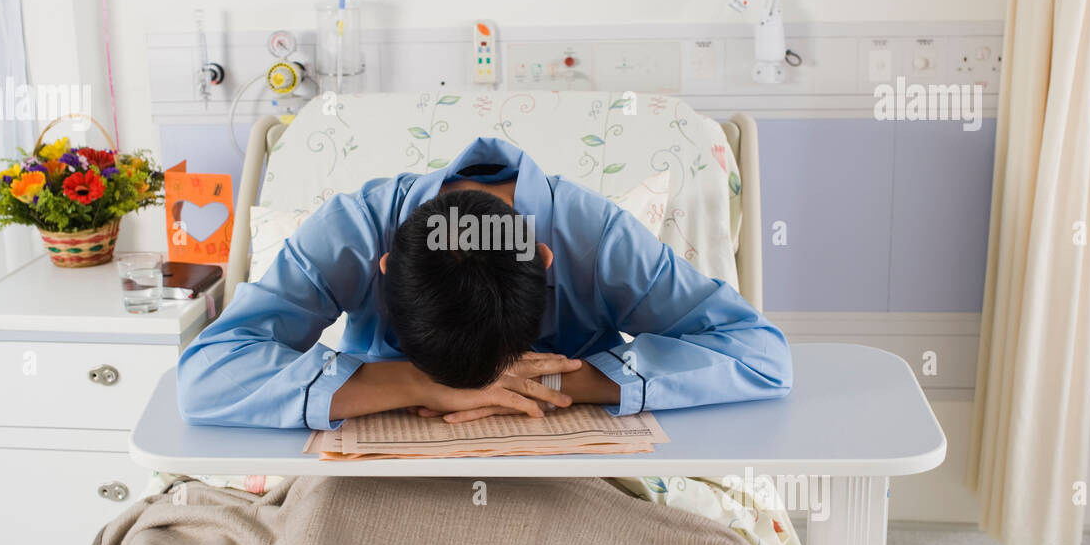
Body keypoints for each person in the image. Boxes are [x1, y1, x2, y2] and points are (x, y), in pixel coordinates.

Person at [178, 137, 791, 430]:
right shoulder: (354, 232)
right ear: (386, 273)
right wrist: (421, 383)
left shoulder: (599, 239)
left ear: (547, 263)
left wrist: (554, 382)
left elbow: (763, 355)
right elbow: (206, 375)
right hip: (388, 441)